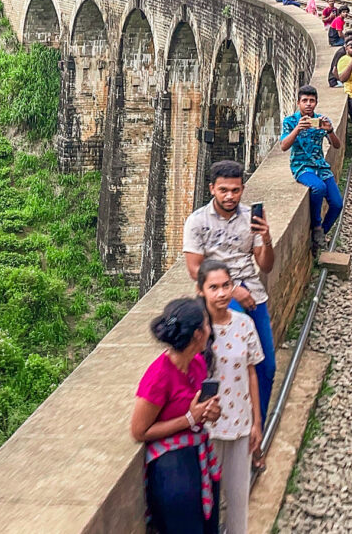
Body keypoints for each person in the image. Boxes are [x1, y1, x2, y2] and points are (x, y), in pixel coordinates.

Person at [183, 160, 275, 447]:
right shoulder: (198, 221)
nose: (229, 196)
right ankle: (229, 435)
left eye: (235, 190)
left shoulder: (250, 218)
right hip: (219, 299)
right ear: (212, 189)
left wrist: (266, 238)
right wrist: (232, 289)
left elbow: (266, 266)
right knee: (230, 366)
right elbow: (195, 269)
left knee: (266, 368)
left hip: (254, 294)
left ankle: (255, 430)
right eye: (223, 190)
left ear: (242, 189)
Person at [131, 298, 221, 534]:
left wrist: (209, 413)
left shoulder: (198, 364)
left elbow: (198, 411)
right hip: (172, 470)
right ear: (197, 335)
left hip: (196, 456)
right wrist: (189, 419)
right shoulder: (159, 376)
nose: (210, 330)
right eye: (206, 326)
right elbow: (139, 430)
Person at [199, 260, 263, 534]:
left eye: (226, 285)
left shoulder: (245, 324)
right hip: (207, 430)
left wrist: (256, 422)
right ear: (201, 291)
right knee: (208, 507)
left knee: (238, 504)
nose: (222, 293)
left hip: (239, 425)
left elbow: (251, 374)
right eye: (214, 287)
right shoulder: (198, 331)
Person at [280, 85, 343, 251]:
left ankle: (320, 235)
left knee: (337, 204)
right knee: (318, 188)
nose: (308, 104)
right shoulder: (290, 121)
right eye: (305, 101)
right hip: (301, 167)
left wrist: (330, 131)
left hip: (321, 167)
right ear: (298, 103)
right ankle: (316, 227)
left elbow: (336, 145)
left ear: (316, 103)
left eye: (311, 101)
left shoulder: (321, 120)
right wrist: (297, 129)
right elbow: (284, 146)